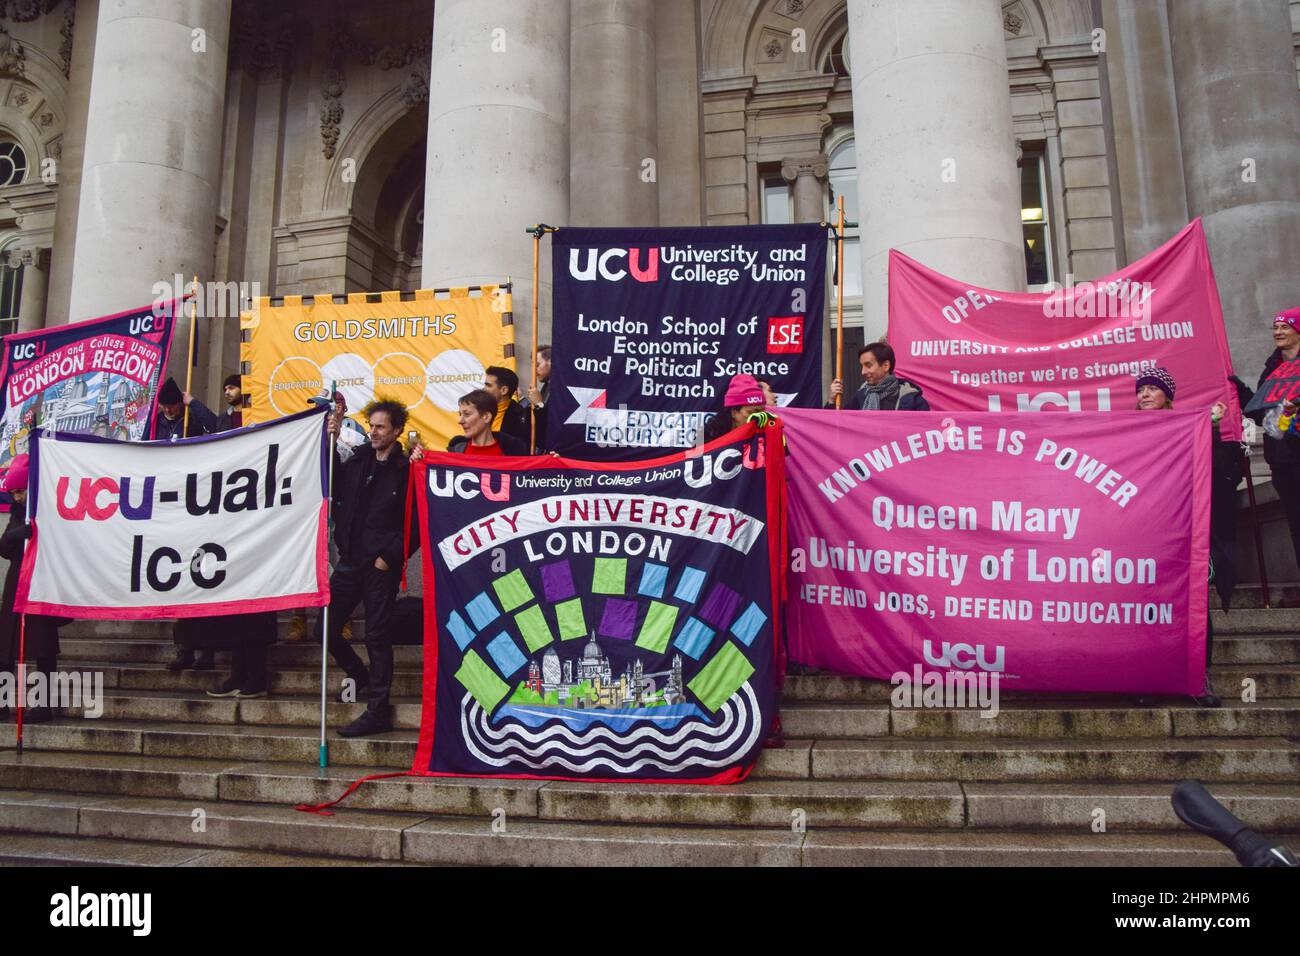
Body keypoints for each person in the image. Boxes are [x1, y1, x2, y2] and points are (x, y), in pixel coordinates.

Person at [313, 398, 411, 737]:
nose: (373, 432)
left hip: (379, 564)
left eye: (380, 427)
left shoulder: (406, 468)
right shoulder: (358, 461)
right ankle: (362, 676)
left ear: (396, 430)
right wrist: (331, 437)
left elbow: (414, 521)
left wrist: (392, 556)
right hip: (351, 559)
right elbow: (332, 482)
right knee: (324, 628)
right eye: (371, 426)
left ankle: (378, 709)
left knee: (377, 635)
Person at [1133, 367, 1220, 708]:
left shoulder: (1188, 428)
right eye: (1141, 390)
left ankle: (1199, 677)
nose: (1144, 395)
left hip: (1183, 529)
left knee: (1194, 602)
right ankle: (1152, 677)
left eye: (1153, 389)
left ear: (1168, 395)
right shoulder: (1127, 430)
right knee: (1148, 607)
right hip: (1143, 532)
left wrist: (1208, 427)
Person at [0, 455, 67, 723]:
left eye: (21, 491)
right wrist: (16, 535)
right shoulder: (18, 514)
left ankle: (44, 704)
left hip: (42, 582)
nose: (18, 497)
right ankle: (3, 700)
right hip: (17, 582)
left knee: (42, 646)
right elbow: (4, 548)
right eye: (14, 493)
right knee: (5, 646)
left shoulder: (48, 509)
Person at [1255, 307, 1300, 571]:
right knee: (1296, 523)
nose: (1278, 332)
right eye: (1276, 328)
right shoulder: (1271, 368)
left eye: (1285, 327)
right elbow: (1260, 409)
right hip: (1282, 460)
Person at [828, 342, 930, 411]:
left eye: (868, 365)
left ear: (886, 366)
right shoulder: (861, 396)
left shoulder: (913, 401)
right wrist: (832, 400)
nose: (863, 372)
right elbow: (837, 426)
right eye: (862, 366)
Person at [447, 389, 528, 456]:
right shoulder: (455, 451)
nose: (460, 421)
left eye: (467, 414)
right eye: (460, 414)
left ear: (486, 417)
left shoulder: (514, 452)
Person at [702, 374, 769, 444]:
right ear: (734, 412)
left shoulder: (766, 439)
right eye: (751, 413)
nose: (758, 418)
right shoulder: (705, 437)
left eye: (763, 413)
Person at [153, 377, 220, 441]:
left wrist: (193, 402)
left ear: (180, 403)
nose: (168, 410)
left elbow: (215, 427)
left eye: (172, 406)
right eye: (164, 406)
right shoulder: (155, 421)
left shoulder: (192, 418)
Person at [483, 366, 531, 450]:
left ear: (503, 390)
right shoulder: (479, 412)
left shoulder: (522, 416)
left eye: (488, 386)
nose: (483, 389)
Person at [522, 346, 551, 453]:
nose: (534, 370)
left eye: (537, 365)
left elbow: (550, 423)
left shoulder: (559, 388)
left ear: (551, 362)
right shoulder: (546, 386)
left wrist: (539, 404)